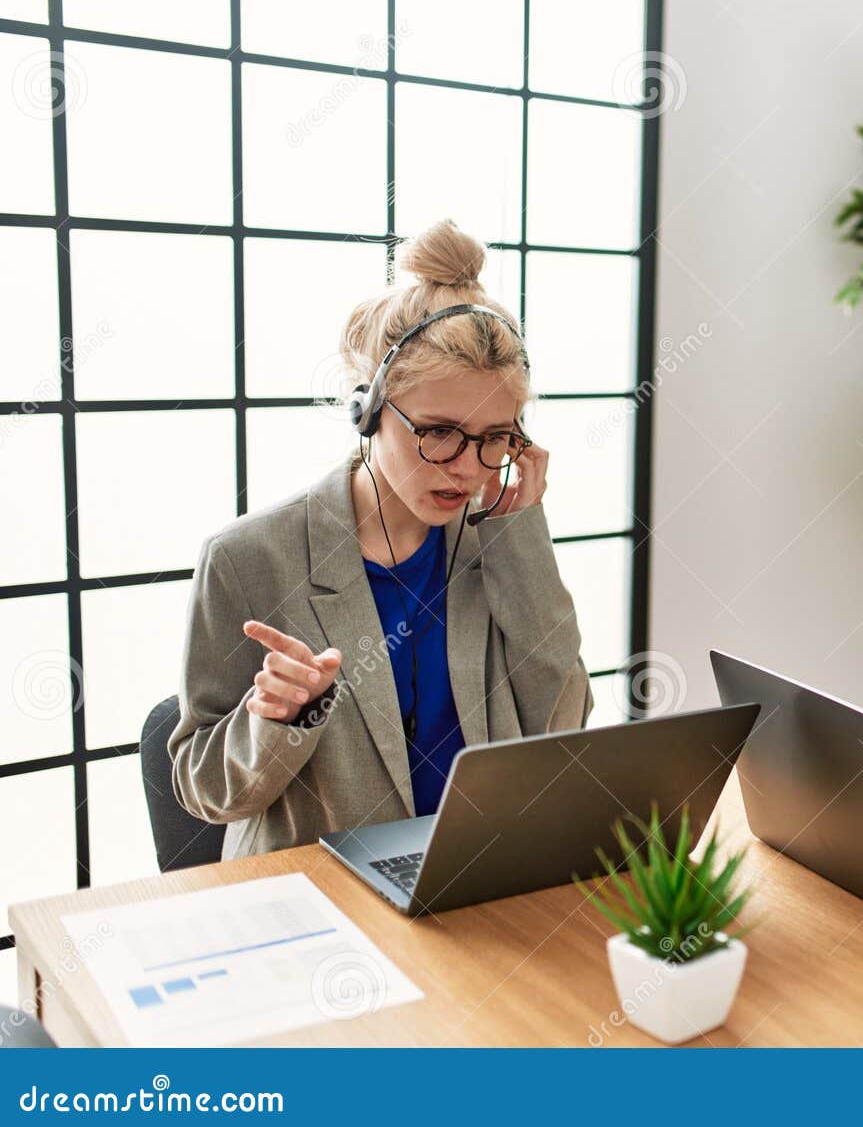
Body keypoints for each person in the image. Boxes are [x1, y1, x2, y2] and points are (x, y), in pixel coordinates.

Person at [169, 219, 591, 859]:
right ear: (368, 412)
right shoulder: (248, 559)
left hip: (476, 880)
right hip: (321, 908)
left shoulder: (493, 541)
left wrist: (523, 542)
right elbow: (204, 790)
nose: (470, 468)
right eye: (441, 432)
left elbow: (561, 729)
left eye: (497, 438)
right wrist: (276, 718)